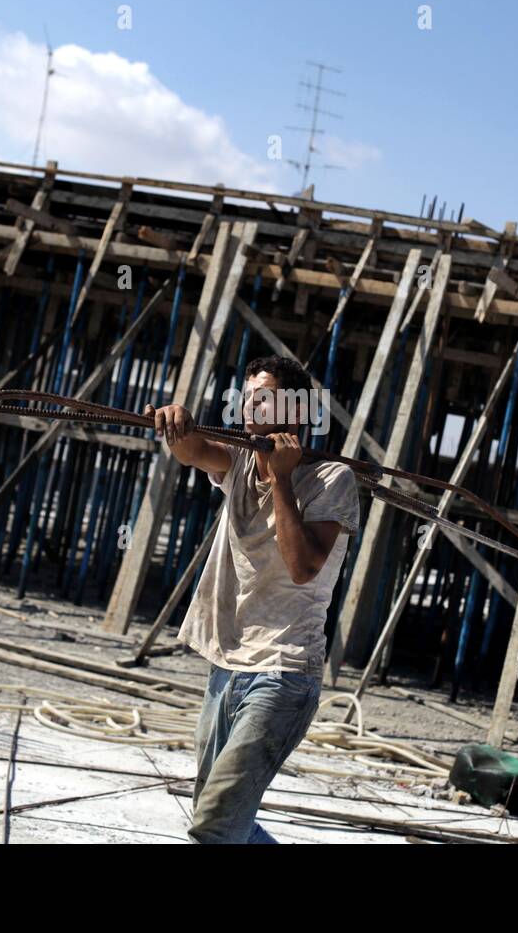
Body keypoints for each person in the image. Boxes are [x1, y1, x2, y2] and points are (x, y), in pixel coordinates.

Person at [143, 355, 360, 843]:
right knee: (218, 815)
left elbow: (303, 568)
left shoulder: (332, 480)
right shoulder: (239, 459)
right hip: (227, 666)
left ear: (297, 412)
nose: (249, 410)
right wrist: (176, 423)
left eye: (263, 401)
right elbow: (195, 450)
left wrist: (281, 478)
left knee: (216, 824)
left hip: (283, 673)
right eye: (246, 400)